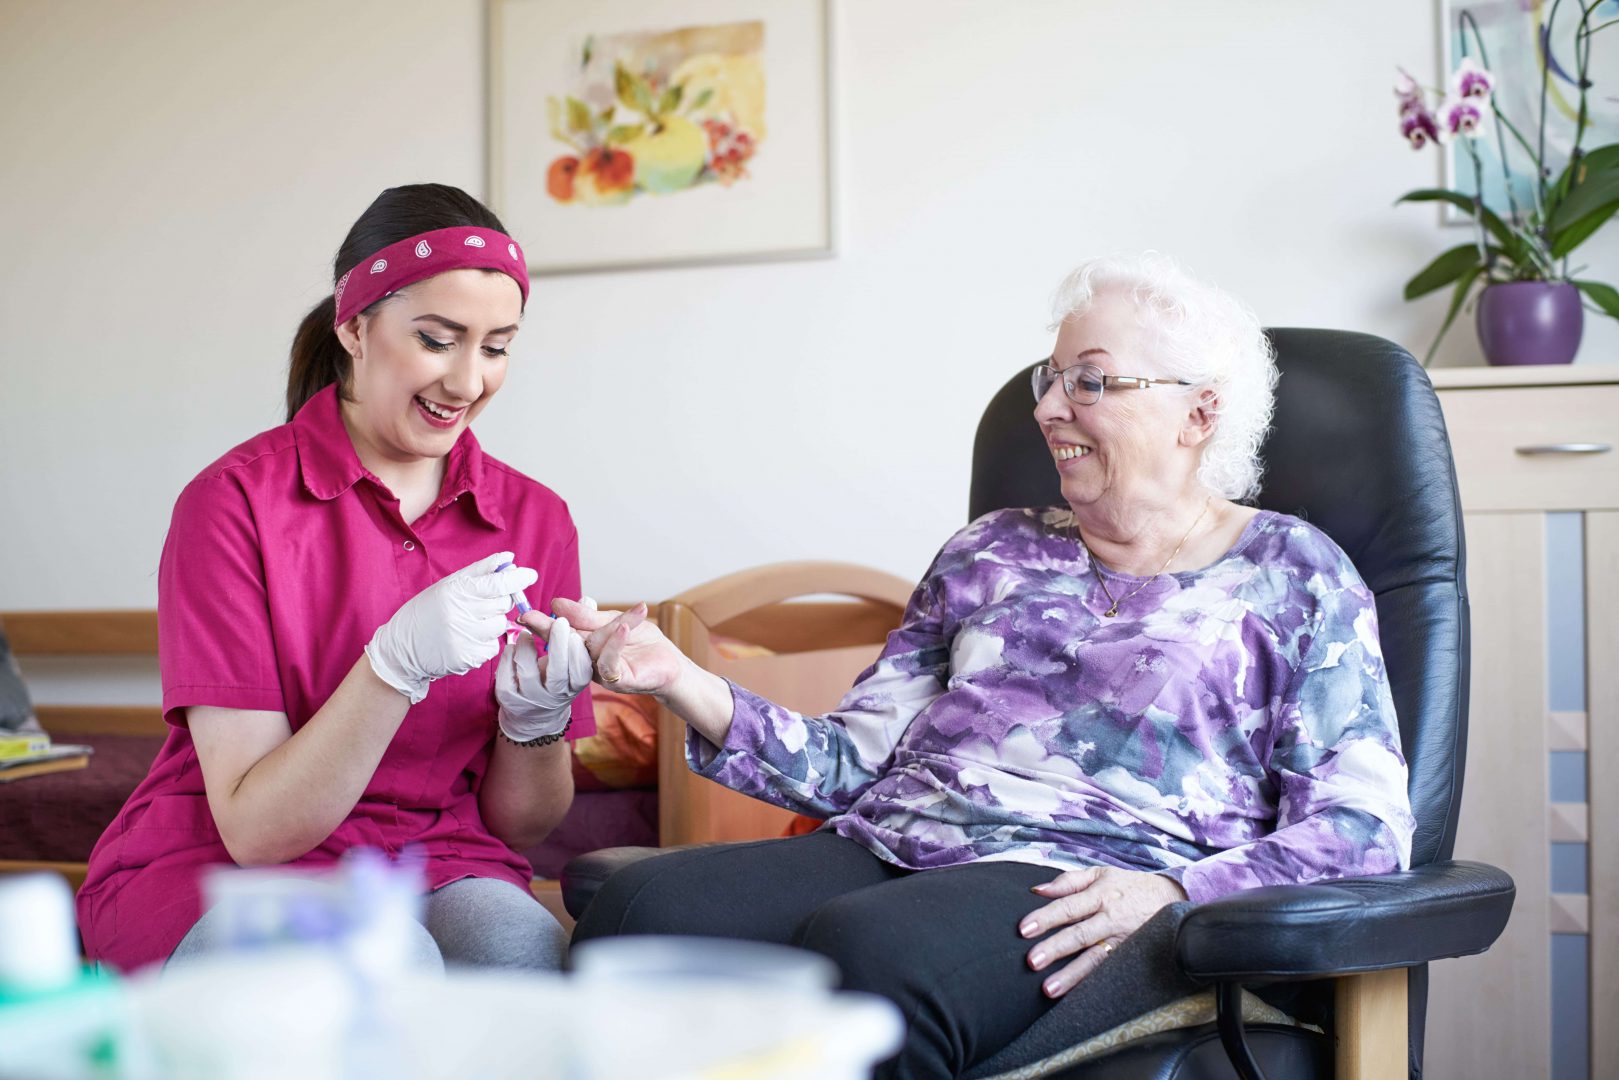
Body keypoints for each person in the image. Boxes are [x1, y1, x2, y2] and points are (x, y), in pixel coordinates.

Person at [565, 254, 1416, 1078]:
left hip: (1089, 881)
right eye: (1046, 380)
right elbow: (848, 764)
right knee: (639, 915)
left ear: (1196, 415)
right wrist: (677, 677)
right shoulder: (990, 550)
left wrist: (1173, 890)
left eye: (1089, 380)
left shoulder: (1293, 572)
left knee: (876, 954)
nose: (1047, 408)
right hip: (896, 840)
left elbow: (1363, 829)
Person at [76, 184, 594, 973]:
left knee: (522, 953)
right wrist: (390, 668)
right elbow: (257, 830)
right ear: (354, 326)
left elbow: (522, 826)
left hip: (436, 858)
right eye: (436, 339)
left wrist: (537, 722)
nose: (466, 382)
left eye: (494, 348)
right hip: (231, 865)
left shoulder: (535, 519)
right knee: (380, 964)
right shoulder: (234, 504)